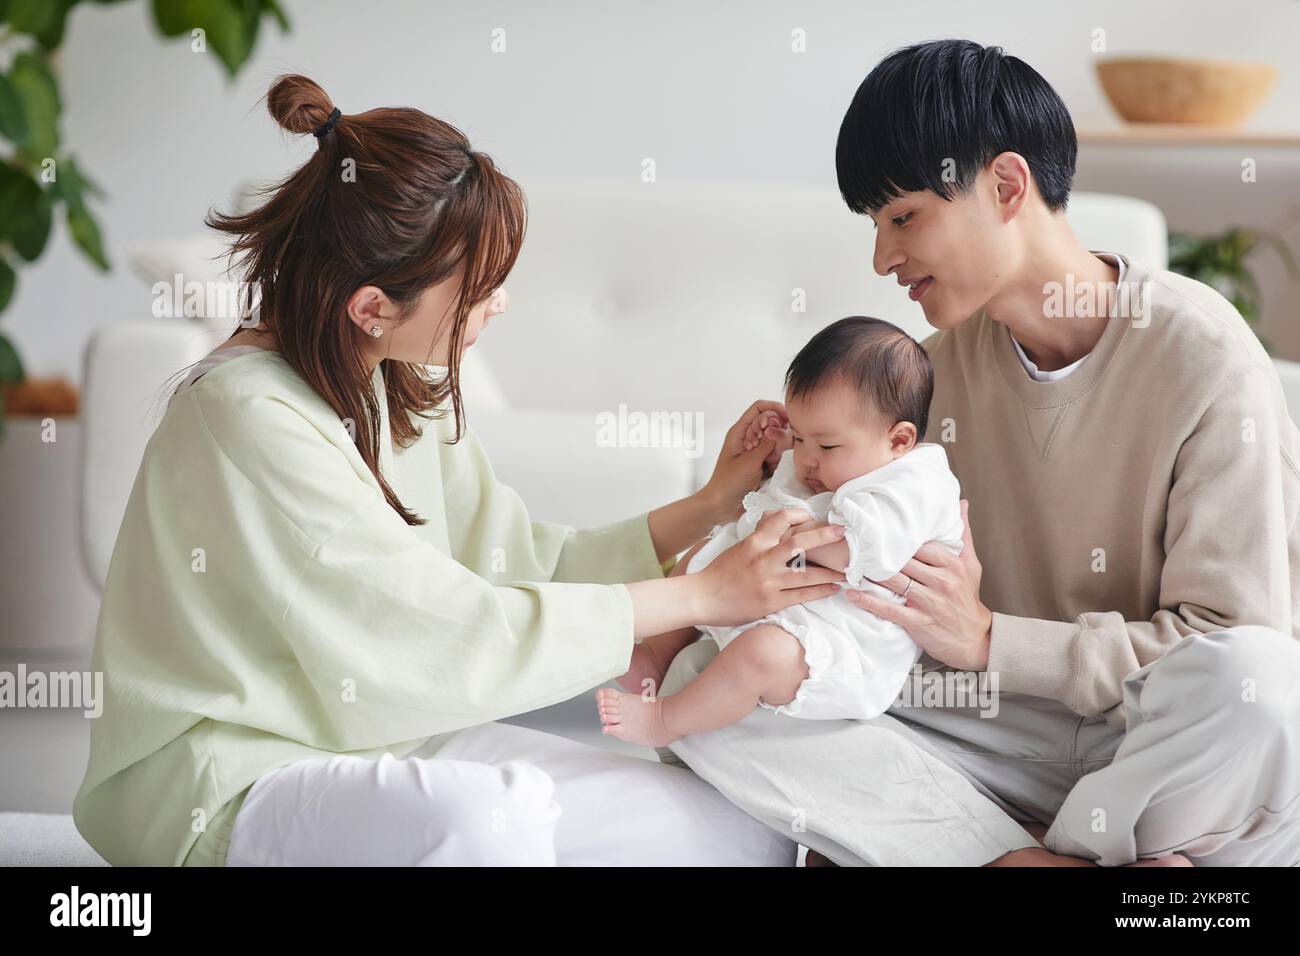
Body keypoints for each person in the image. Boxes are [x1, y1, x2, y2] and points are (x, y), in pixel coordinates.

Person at [72, 74, 850, 867]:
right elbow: (435, 631)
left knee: (740, 832)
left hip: (390, 737)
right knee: (489, 825)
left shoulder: (387, 374)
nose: (500, 304)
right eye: (479, 287)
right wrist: (700, 595)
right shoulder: (247, 415)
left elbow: (517, 563)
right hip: (233, 776)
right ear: (372, 306)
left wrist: (712, 504)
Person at [657, 39, 1300, 867]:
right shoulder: (922, 384)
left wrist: (995, 638)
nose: (883, 259)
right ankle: (1038, 862)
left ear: (1004, 186)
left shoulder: (1203, 358)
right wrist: (758, 501)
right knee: (704, 689)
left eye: (903, 217)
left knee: (1262, 687)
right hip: (980, 732)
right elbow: (840, 582)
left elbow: (1232, 645)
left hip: (1144, 747)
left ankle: (995, 850)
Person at [596, 317, 964, 744]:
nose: (806, 459)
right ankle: (658, 658)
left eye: (825, 445)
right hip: (785, 599)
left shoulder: (916, 484)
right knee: (701, 554)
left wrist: (781, 534)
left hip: (843, 642)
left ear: (899, 440)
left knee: (761, 654)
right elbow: (766, 503)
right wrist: (771, 455)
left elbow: (864, 552)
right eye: (799, 437)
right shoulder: (821, 466)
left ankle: (664, 721)